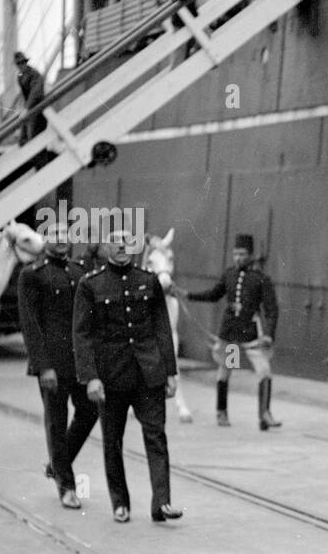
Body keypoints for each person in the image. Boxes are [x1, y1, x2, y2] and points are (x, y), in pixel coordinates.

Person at [73, 224, 182, 524]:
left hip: (149, 374)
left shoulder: (149, 282)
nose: (121, 246)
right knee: (112, 441)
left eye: (126, 241)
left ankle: (162, 502)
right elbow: (82, 336)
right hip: (111, 377)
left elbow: (162, 329)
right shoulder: (90, 285)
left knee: (156, 436)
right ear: (106, 247)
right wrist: (91, 377)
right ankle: (120, 502)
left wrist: (170, 372)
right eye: (115, 242)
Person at [19, 218, 98, 509]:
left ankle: (56, 463)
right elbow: (31, 325)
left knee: (90, 411)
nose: (62, 238)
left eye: (66, 233)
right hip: (52, 363)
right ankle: (66, 486)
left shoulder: (80, 272)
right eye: (55, 234)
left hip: (79, 362)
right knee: (56, 420)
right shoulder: (32, 275)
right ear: (45, 240)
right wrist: (43, 366)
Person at [182, 233, 281, 431]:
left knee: (264, 371)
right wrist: (185, 294)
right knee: (226, 371)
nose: (238, 258)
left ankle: (265, 414)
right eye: (235, 254)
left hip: (251, 335)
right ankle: (221, 412)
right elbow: (213, 295)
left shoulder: (261, 279)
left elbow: (272, 310)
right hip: (231, 334)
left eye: (242, 254)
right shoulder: (229, 274)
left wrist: (269, 334)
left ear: (251, 255)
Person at [14, 51, 47, 146]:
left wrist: (26, 108)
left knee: (34, 136)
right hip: (30, 109)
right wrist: (24, 108)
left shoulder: (34, 74)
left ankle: (37, 158)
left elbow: (36, 93)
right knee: (23, 138)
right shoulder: (20, 77)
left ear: (26, 62)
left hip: (38, 109)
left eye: (22, 62)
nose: (21, 65)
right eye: (18, 63)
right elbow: (26, 96)